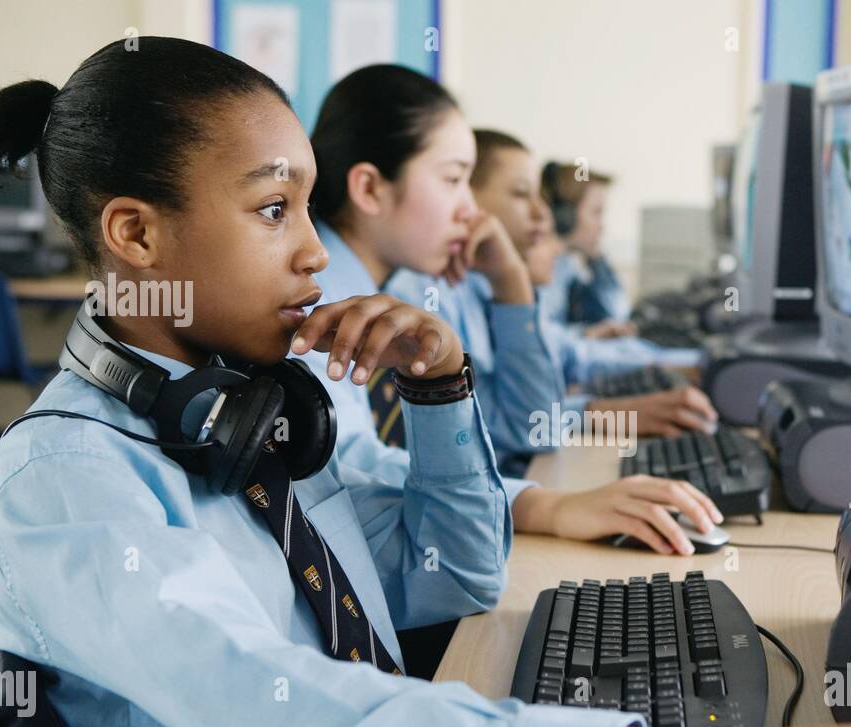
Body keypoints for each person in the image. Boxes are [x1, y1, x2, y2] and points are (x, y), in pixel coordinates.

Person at [0, 37, 851, 727]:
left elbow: (456, 569)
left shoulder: (255, 414)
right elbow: (266, 711)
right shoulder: (67, 481)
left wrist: (442, 389)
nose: (314, 250)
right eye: (273, 209)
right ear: (137, 236)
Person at [306, 64, 720, 554]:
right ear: (371, 189)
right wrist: (545, 506)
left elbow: (529, 425)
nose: (470, 209)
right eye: (454, 179)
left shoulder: (407, 289)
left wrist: (512, 282)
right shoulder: (319, 306)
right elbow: (350, 468)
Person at [473, 129, 717, 434]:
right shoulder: (466, 292)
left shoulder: (487, 287)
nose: (542, 215)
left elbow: (567, 357)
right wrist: (607, 415)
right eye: (522, 194)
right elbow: (529, 426)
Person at [540, 160, 637, 337]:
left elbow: (617, 313)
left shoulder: (567, 267)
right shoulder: (540, 269)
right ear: (565, 217)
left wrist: (597, 259)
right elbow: (538, 338)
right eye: (596, 213)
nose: (602, 226)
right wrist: (584, 334)